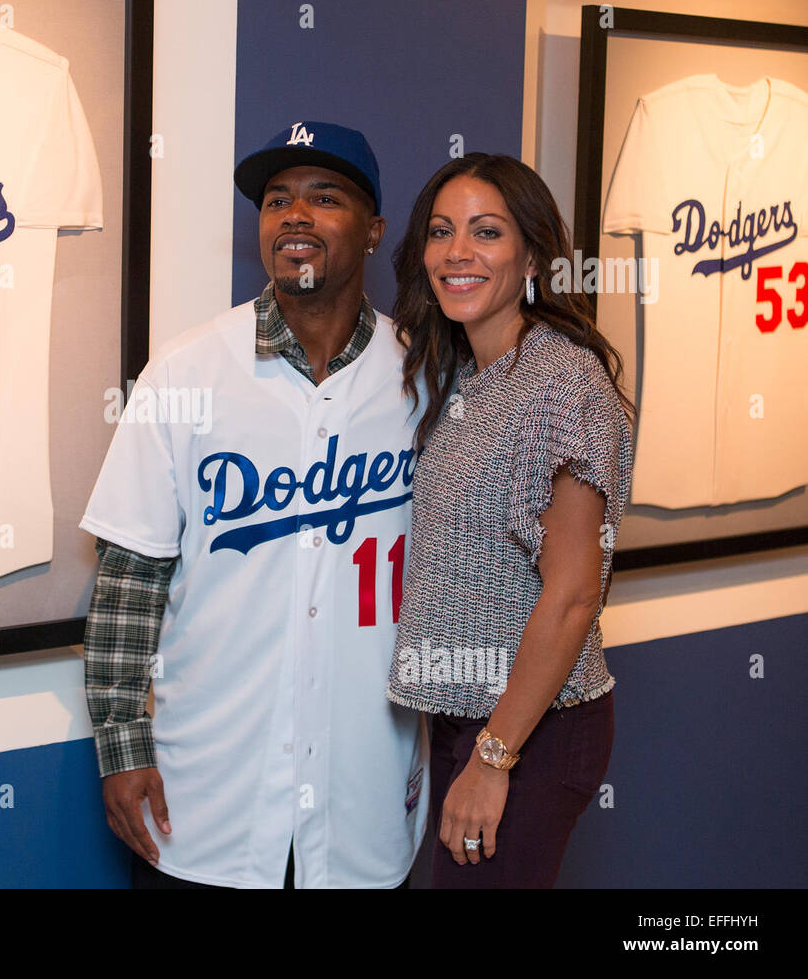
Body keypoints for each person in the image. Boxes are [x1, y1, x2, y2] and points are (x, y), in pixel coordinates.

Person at [80, 122, 429, 888]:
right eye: (277, 200)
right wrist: (121, 746)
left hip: (366, 785)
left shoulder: (421, 379)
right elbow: (129, 580)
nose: (295, 215)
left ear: (373, 230)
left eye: (324, 196)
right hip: (206, 792)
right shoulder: (185, 370)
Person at [386, 152, 636, 888]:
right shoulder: (464, 371)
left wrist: (493, 759)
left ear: (530, 253)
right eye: (440, 232)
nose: (457, 253)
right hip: (473, 717)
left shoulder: (563, 380)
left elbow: (570, 597)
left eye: (485, 232)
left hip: (533, 732)